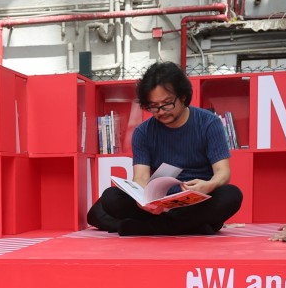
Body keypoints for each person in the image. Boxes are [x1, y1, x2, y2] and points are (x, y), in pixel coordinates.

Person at [87, 61, 243, 237]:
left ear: (183, 96)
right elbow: (140, 177)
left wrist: (208, 185)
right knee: (110, 198)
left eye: (167, 104)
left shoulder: (209, 123)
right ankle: (192, 228)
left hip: (196, 202)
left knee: (231, 195)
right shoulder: (143, 132)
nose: (161, 112)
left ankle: (145, 228)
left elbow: (223, 172)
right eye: (153, 106)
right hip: (158, 207)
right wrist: (144, 200)